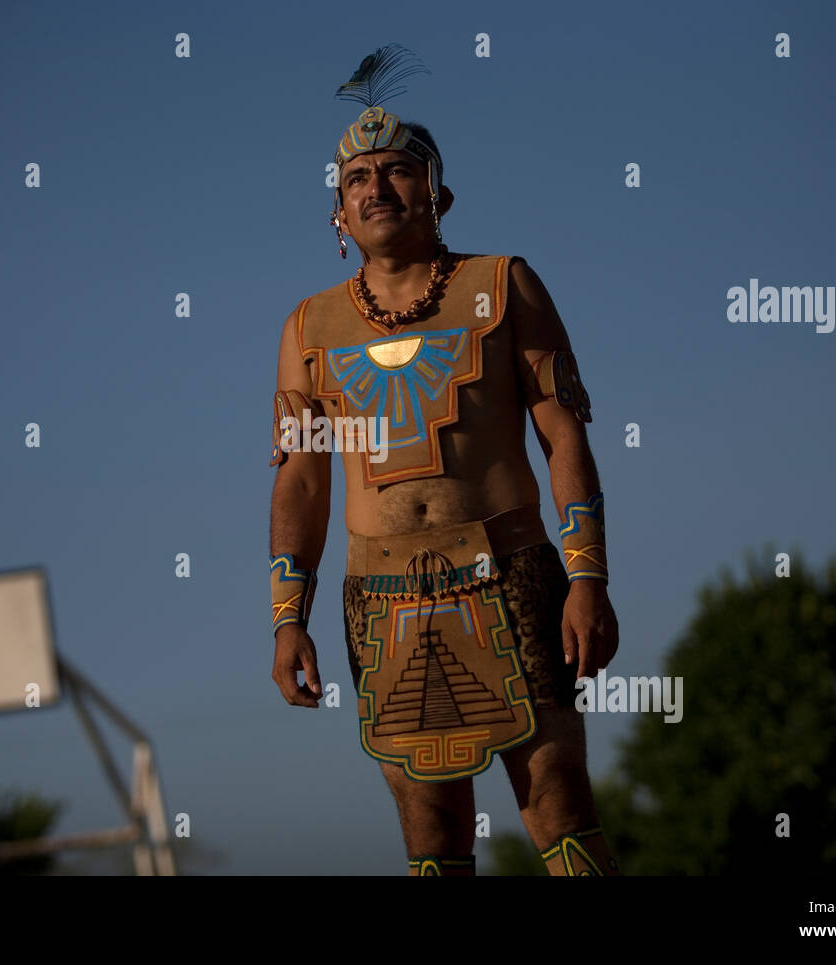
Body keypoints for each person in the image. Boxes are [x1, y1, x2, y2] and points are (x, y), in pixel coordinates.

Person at [268, 45, 621, 876]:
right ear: (337, 216)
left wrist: (588, 578)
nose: (376, 187)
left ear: (439, 193)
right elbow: (304, 477)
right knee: (430, 831)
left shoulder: (505, 284)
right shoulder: (308, 328)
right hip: (379, 595)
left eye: (398, 171)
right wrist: (288, 617)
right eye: (357, 179)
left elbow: (562, 435)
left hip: (514, 572)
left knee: (557, 798)